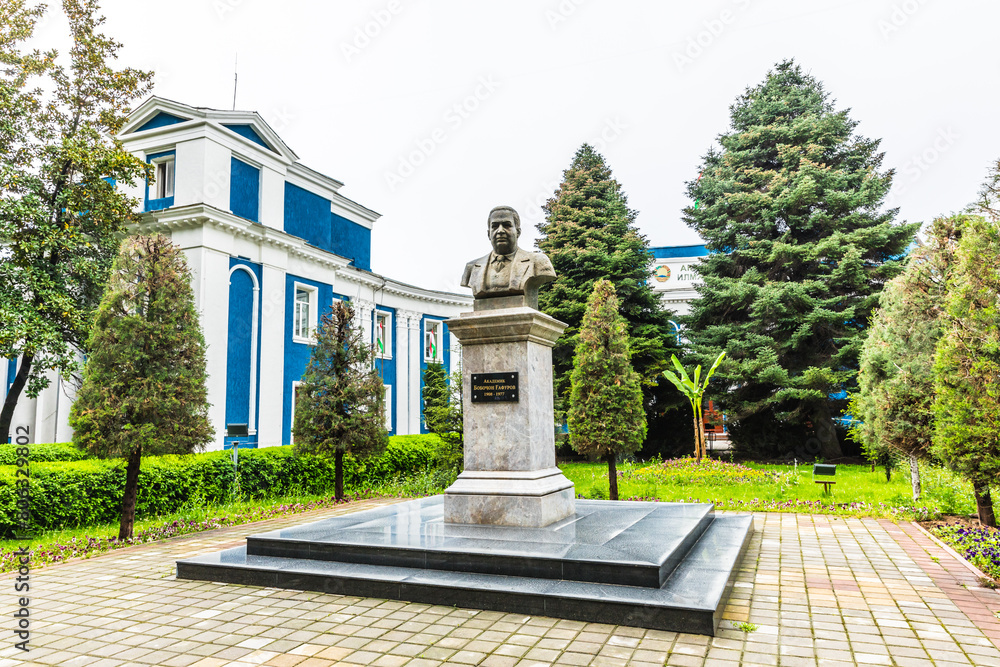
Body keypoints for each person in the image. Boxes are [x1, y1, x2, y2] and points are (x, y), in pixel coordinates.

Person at [461, 206, 556, 307]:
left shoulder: (537, 261)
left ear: (518, 232)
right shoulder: (472, 267)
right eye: (495, 226)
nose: (500, 231)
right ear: (489, 233)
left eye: (507, 225)